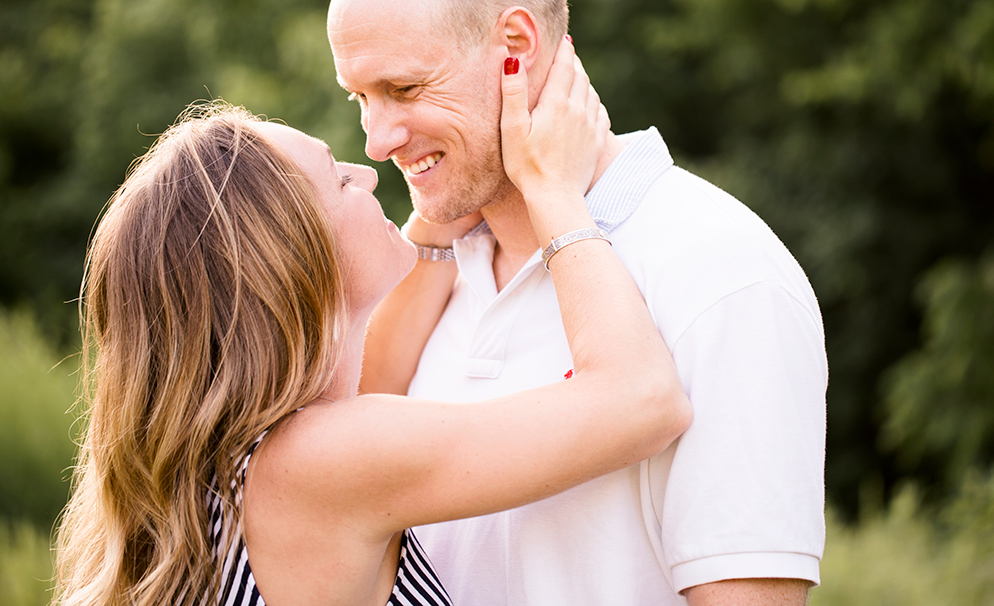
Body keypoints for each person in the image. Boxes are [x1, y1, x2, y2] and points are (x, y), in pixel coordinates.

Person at [51, 42, 692, 606]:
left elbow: (377, 375)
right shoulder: (316, 462)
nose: (365, 170)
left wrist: (452, 186)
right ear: (294, 260)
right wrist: (553, 190)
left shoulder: (236, 467)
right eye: (337, 178)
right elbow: (642, 401)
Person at [329, 0, 828, 605]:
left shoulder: (721, 271)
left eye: (403, 88)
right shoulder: (423, 275)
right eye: (360, 99)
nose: (377, 142)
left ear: (516, 44)